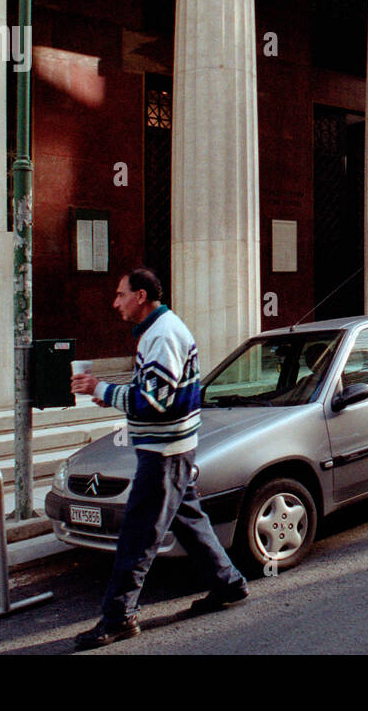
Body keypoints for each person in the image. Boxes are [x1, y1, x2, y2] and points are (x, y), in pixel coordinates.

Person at [70, 267, 249, 650]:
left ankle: (119, 618)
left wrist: (101, 387)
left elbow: (154, 401)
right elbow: (154, 394)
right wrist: (113, 394)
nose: (115, 302)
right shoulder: (159, 330)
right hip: (171, 448)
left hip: (164, 452)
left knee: (138, 536)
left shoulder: (163, 334)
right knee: (189, 521)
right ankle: (228, 584)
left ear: (141, 297)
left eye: (120, 295)